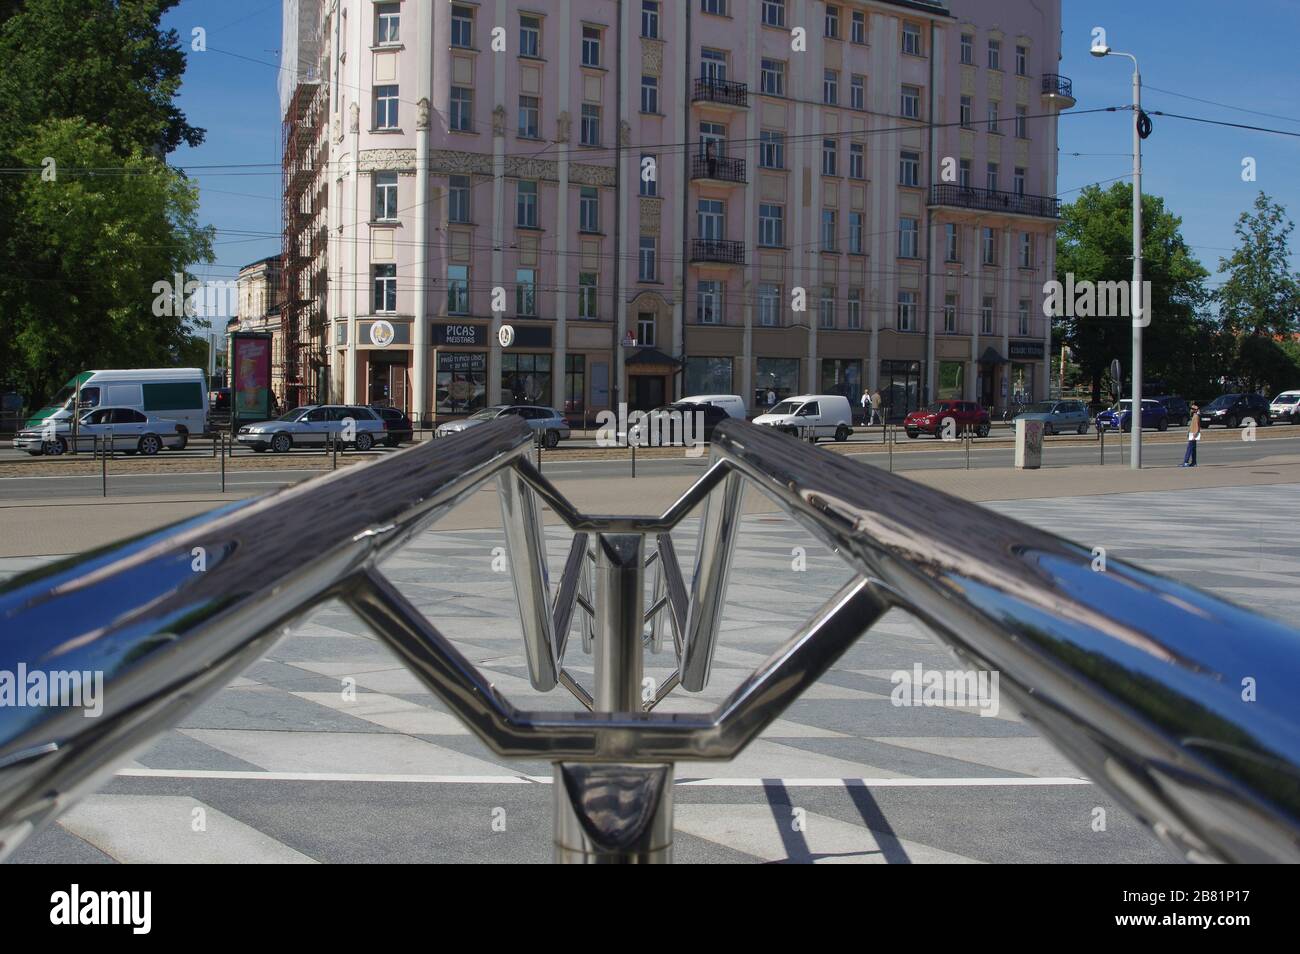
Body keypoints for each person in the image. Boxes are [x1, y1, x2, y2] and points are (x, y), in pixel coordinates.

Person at [1181, 403, 1201, 467]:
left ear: (1195, 410)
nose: (1191, 410)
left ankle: (1185, 462)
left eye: (1192, 409)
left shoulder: (1196, 416)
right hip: (1193, 433)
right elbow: (1191, 426)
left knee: (1189, 448)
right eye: (1191, 409)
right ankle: (1194, 462)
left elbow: (1197, 426)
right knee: (1193, 449)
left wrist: (1195, 434)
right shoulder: (1194, 416)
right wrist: (1188, 432)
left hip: (1193, 434)